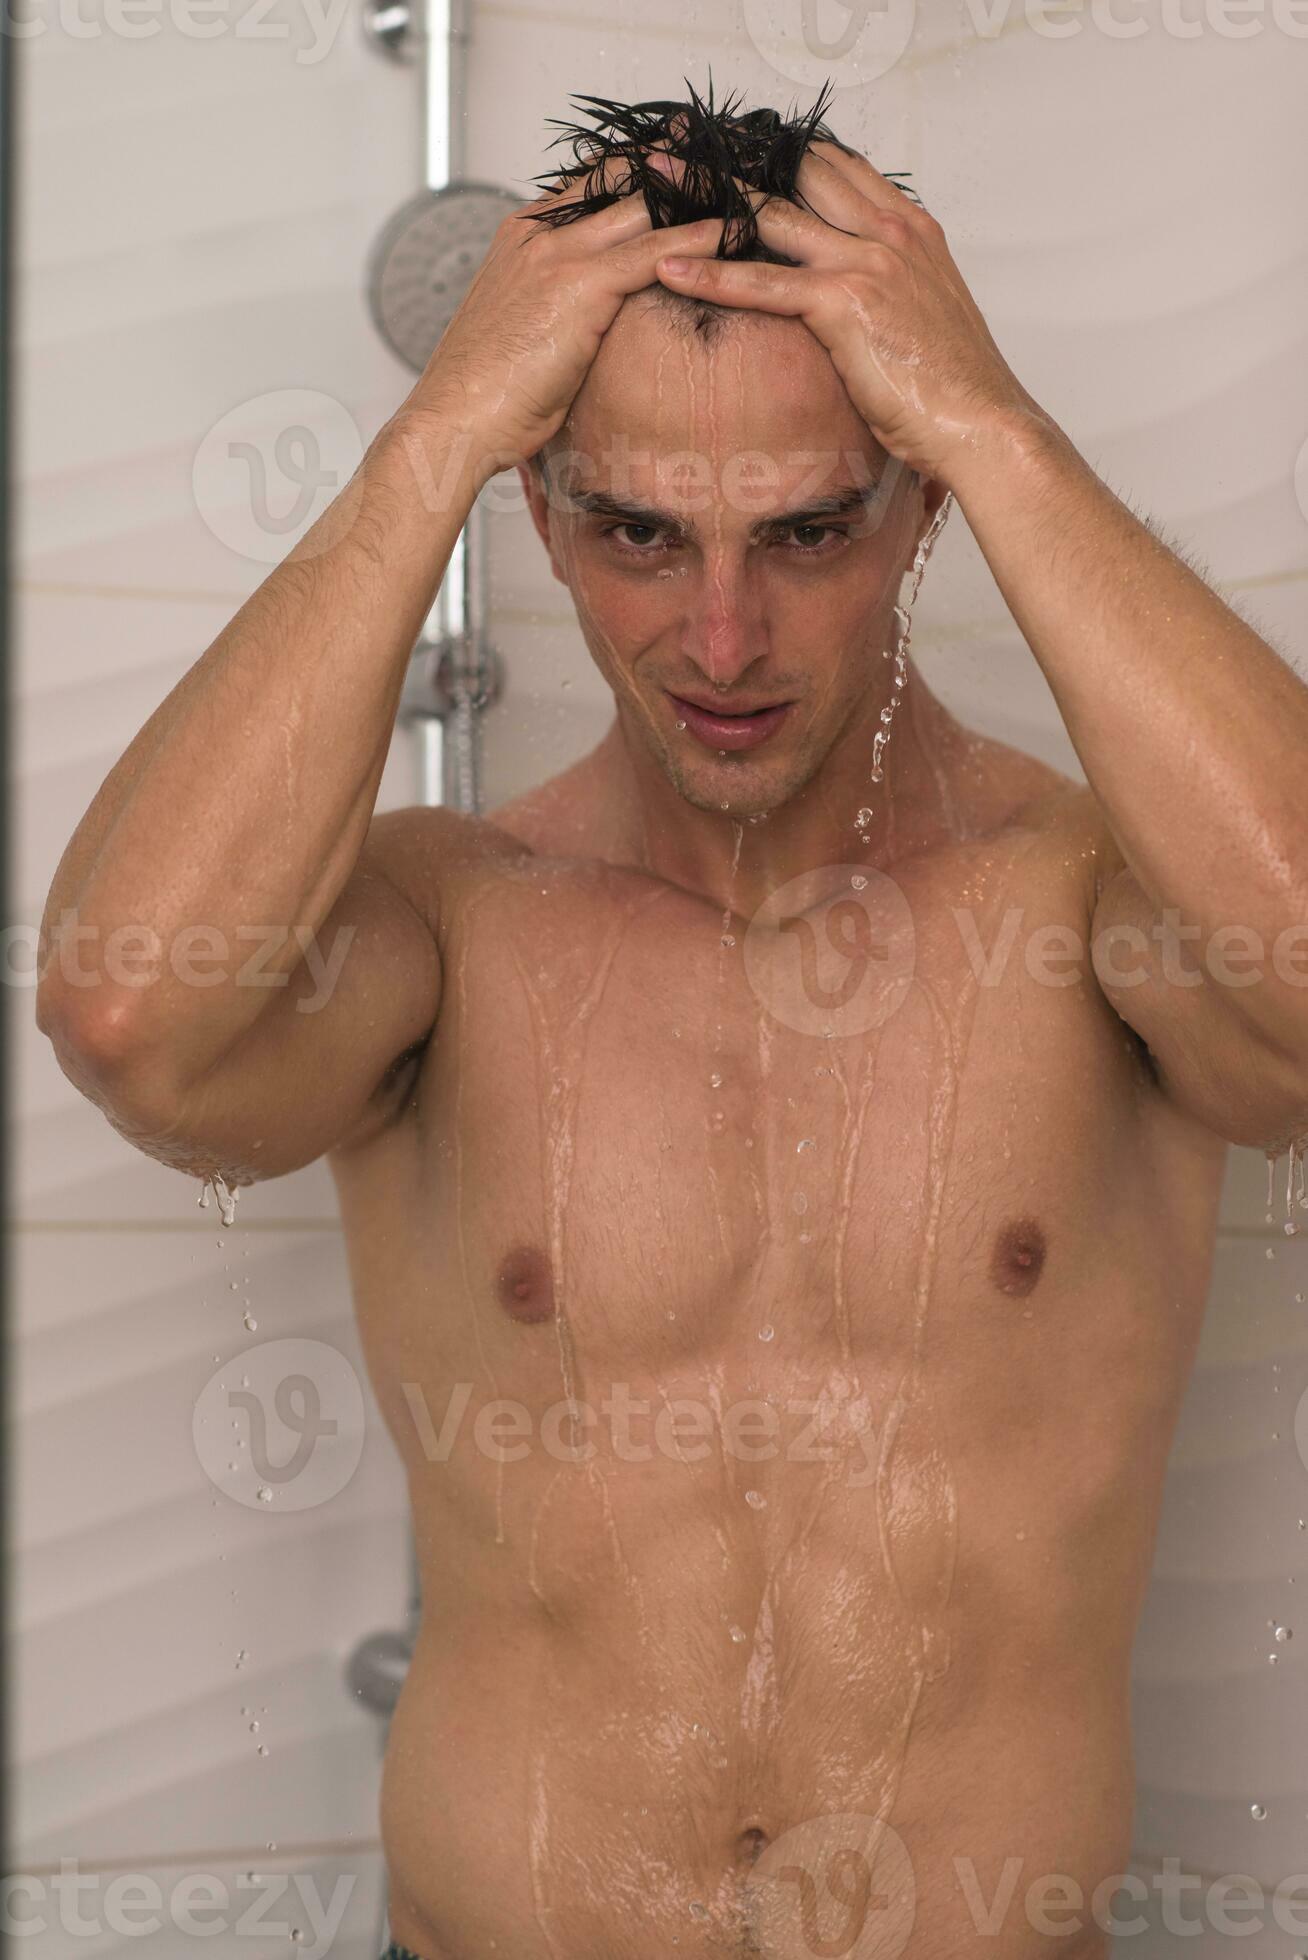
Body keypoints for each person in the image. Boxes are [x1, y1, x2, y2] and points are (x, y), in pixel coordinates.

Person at [35, 80, 1308, 1960]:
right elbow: (137, 1016)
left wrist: (991, 420)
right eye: (638, 534)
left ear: (921, 510)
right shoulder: (446, 930)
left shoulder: (1093, 914)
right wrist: (442, 431)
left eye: (805, 534)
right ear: (537, 516)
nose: (720, 641)